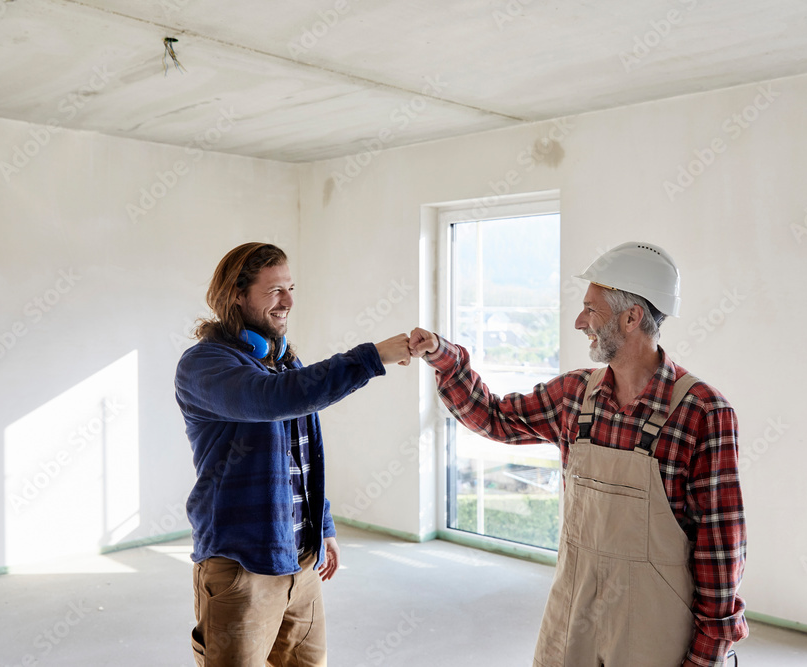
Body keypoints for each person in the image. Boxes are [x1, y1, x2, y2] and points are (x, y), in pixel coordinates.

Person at [409, 241, 747, 667]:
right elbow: (494, 417)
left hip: (654, 633)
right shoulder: (574, 395)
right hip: (572, 620)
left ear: (631, 317)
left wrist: (707, 655)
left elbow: (720, 547)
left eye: (591, 309)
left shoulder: (703, 412)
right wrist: (444, 357)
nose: (578, 321)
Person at [175, 242, 412, 666]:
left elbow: (302, 457)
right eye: (274, 290)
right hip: (241, 566)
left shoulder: (284, 362)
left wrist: (323, 526)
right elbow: (270, 400)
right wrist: (372, 358)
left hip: (301, 560)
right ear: (236, 295)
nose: (288, 301)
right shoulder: (204, 366)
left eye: (291, 288)